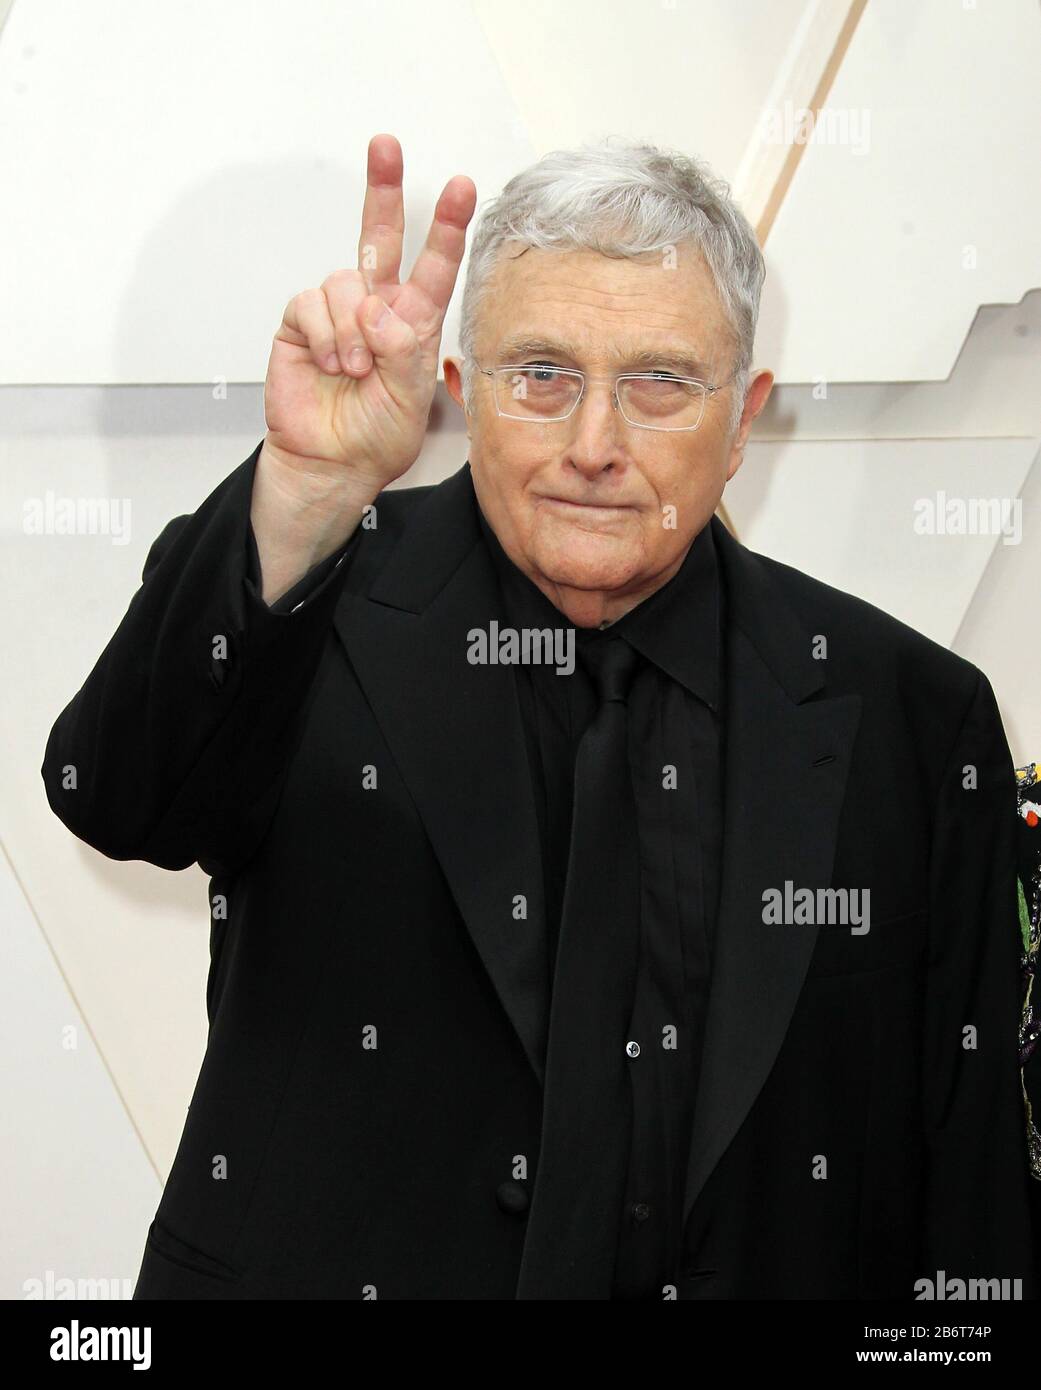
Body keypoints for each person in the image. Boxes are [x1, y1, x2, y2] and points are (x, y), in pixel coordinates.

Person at [42, 134, 1037, 1300]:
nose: (595, 446)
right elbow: (113, 797)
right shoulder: (306, 591)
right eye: (543, 374)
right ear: (462, 392)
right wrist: (308, 490)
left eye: (661, 383)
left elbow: (969, 1189)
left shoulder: (911, 718)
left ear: (745, 419)